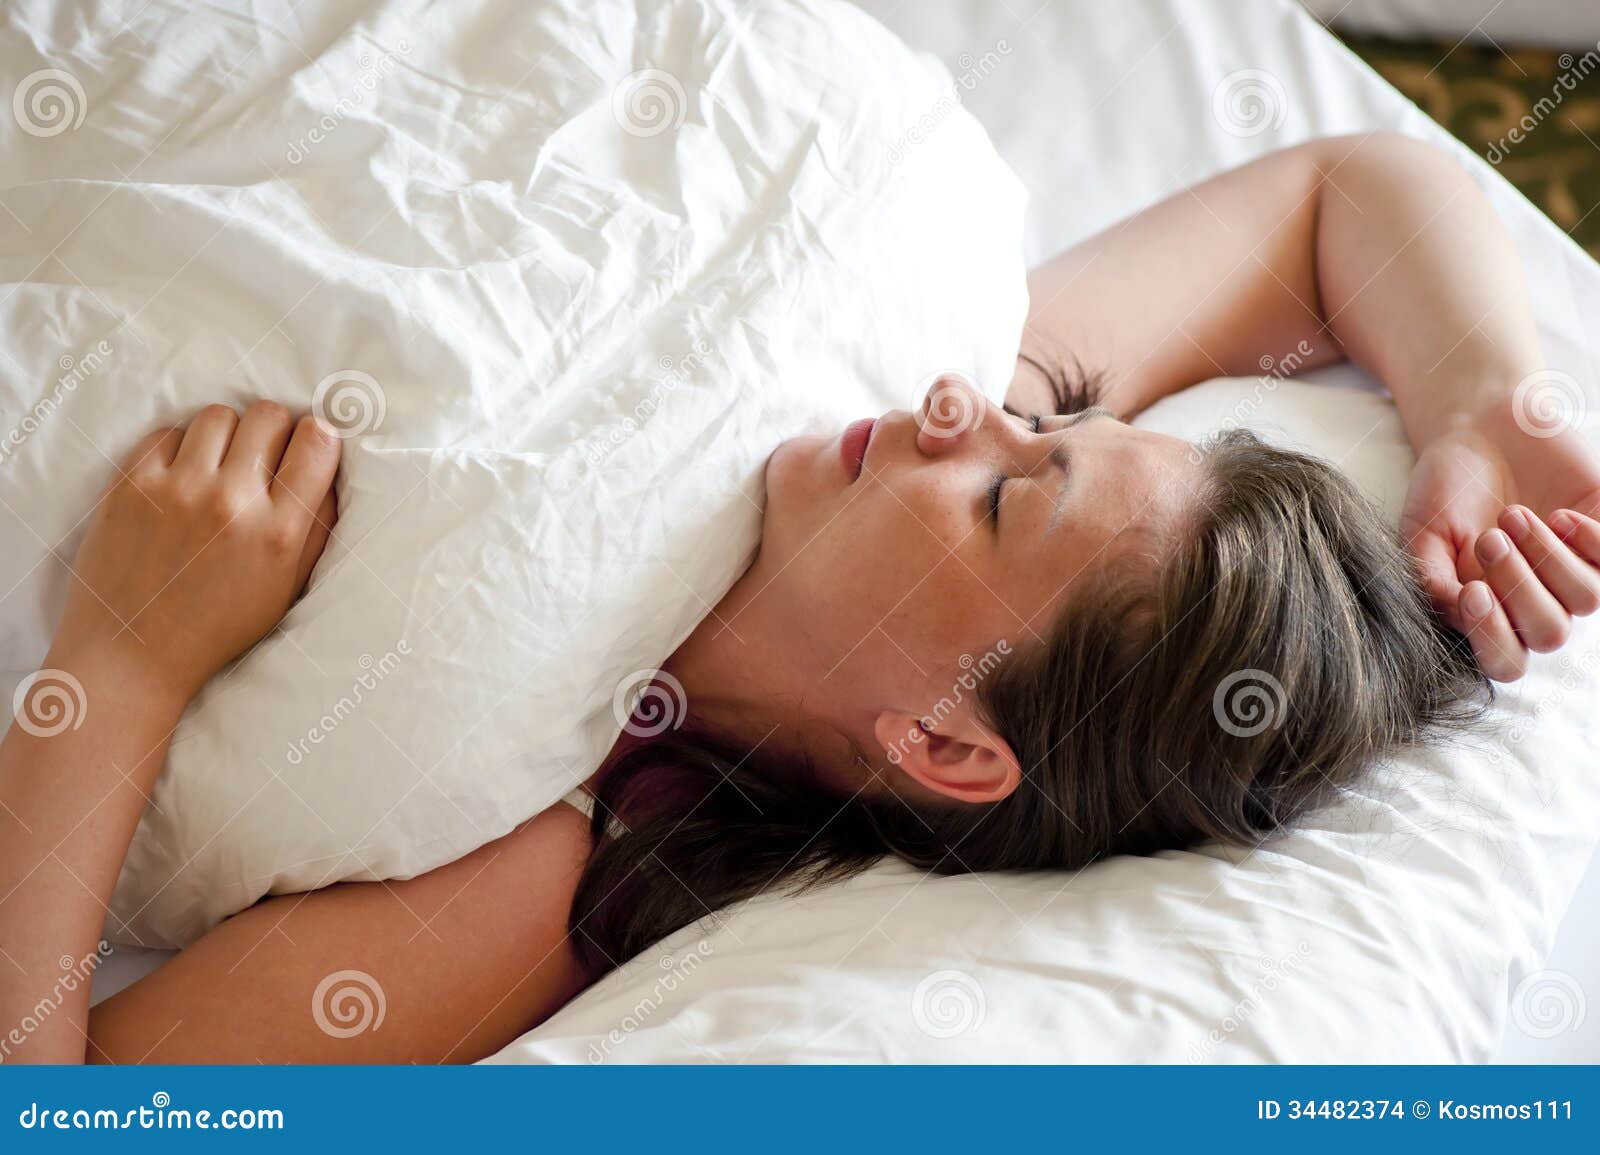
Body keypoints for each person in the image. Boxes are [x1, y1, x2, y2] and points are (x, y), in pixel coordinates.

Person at [3, 133, 1598, 1064]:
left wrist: (121, 671)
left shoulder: (565, 862)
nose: (970, 410)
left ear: (952, 742)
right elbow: (1345, 191)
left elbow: (61, 1114)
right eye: (1057, 417)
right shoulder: (924, 396)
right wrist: (1487, 404)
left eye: (1008, 490)